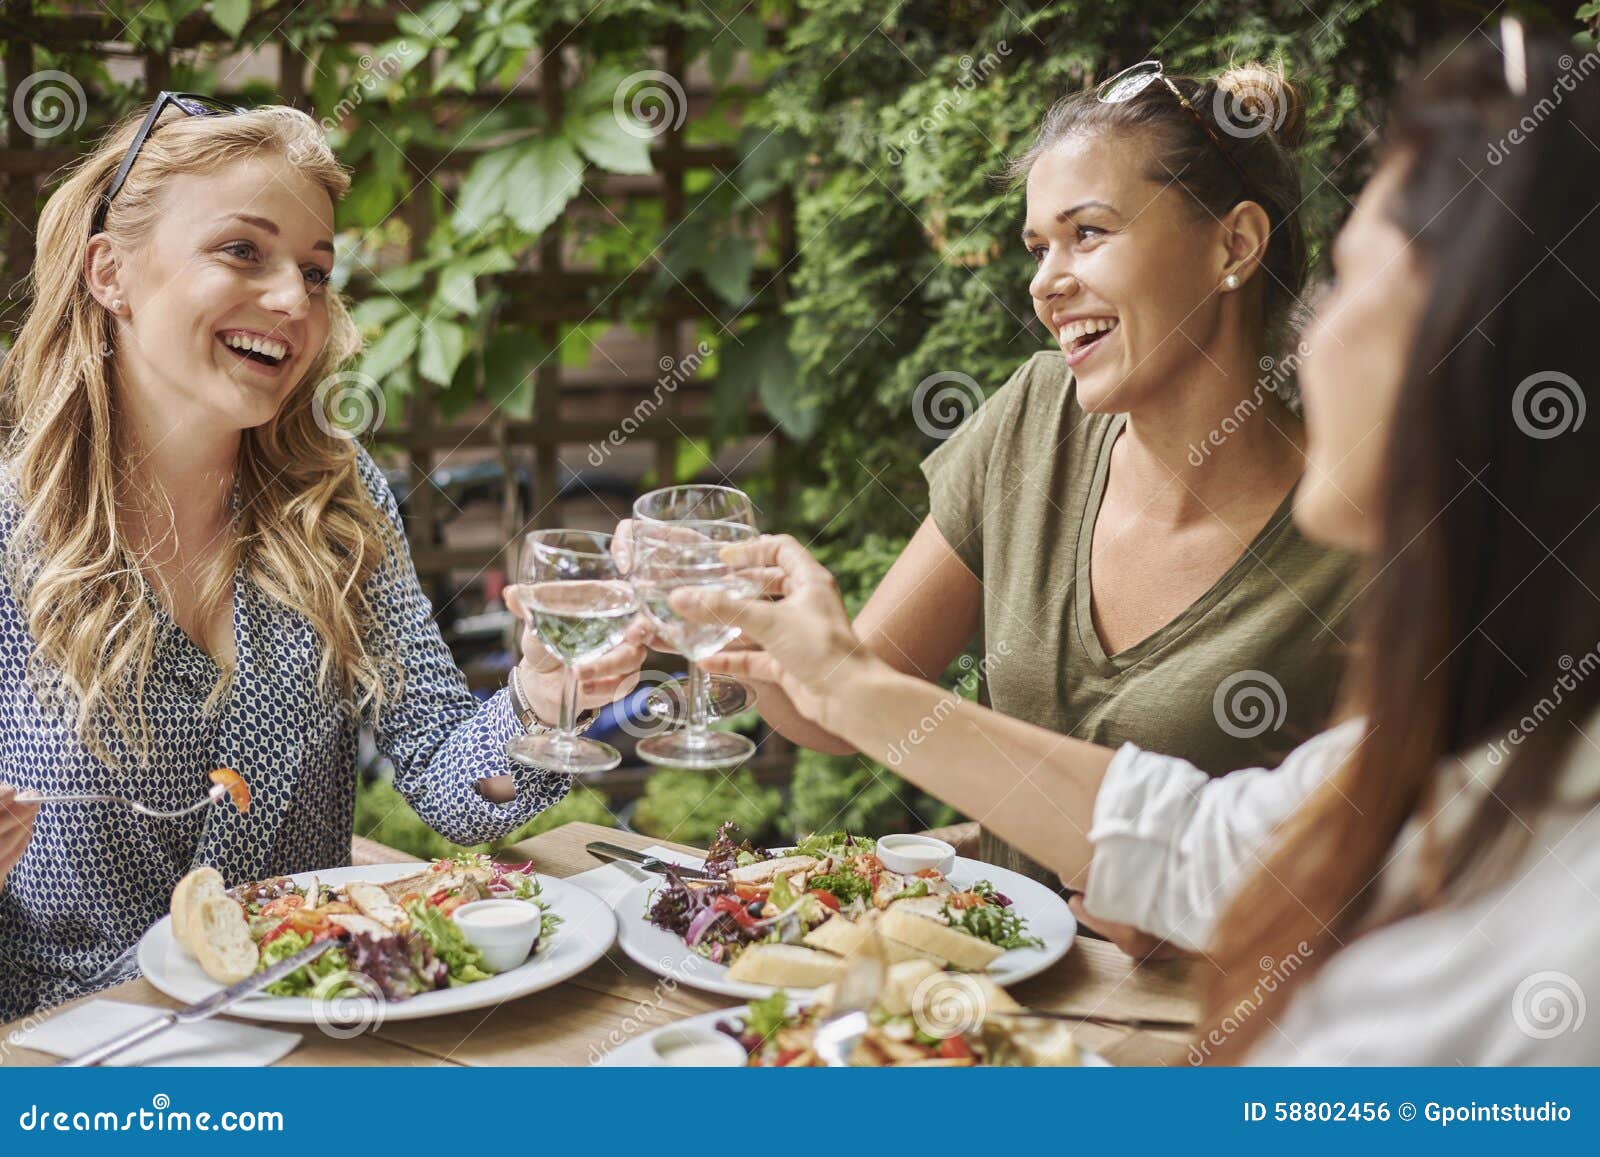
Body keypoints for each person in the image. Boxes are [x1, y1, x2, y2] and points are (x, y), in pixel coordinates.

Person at [677, 28, 1600, 1062]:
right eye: (1039, 245)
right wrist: (818, 663)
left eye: (1352, 281)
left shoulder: (1553, 919)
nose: (1317, 332)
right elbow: (1202, 839)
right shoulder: (1498, 742)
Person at [0, 98, 646, 1020]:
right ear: (111, 271)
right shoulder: (11, 531)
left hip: (311, 1022)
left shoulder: (337, 504)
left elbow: (448, 780)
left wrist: (542, 698)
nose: (292, 301)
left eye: (315, 270)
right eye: (241, 251)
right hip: (69, 1048)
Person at [688, 62, 1361, 898]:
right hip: (1002, 1003)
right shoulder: (1038, 418)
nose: (1046, 282)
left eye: (1090, 234)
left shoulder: (1357, 535)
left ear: (1235, 244)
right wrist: (765, 645)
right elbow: (851, 705)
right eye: (1040, 248)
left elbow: (1375, 882)